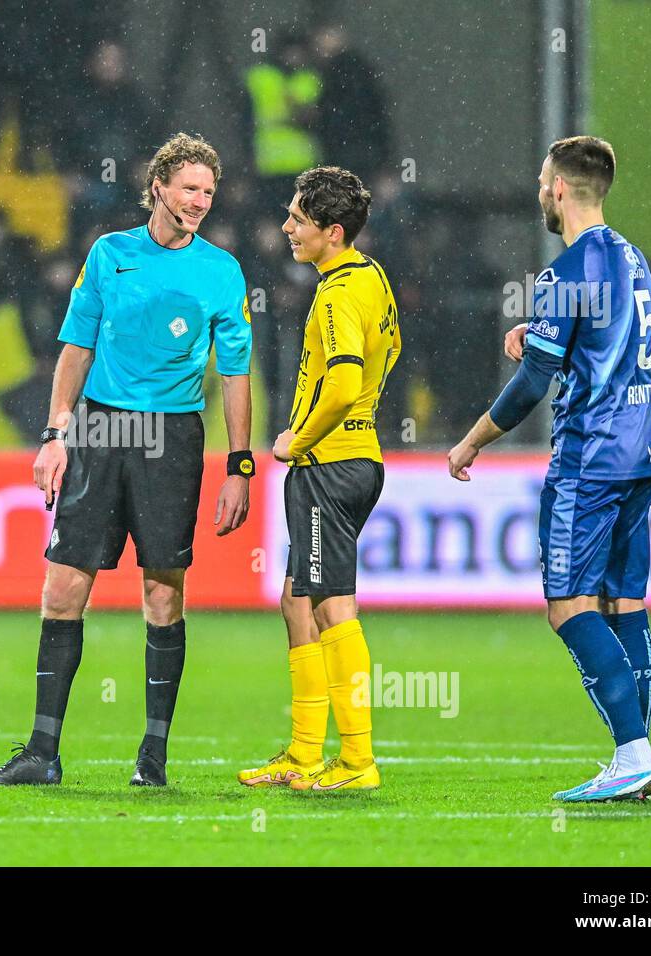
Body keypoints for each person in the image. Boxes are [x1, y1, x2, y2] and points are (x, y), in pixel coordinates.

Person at [0, 132, 254, 788]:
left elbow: (235, 373)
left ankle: (151, 758)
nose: (199, 202)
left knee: (161, 593)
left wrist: (240, 464)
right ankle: (42, 753)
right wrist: (54, 433)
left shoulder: (221, 271)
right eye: (189, 188)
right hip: (98, 429)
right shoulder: (109, 255)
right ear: (157, 187)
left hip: (172, 439)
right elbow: (76, 345)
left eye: (208, 192)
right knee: (64, 587)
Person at [448, 136, 651, 802]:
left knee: (568, 605)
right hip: (643, 446)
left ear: (563, 190)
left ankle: (633, 754)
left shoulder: (567, 273)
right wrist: (541, 340)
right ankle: (637, 754)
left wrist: (471, 442)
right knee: (624, 601)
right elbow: (608, 350)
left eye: (545, 182)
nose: (541, 191)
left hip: (590, 457)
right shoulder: (633, 260)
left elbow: (530, 387)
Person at [238, 166, 401, 793]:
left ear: (332, 232)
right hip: (358, 457)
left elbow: (339, 381)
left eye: (298, 220)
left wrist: (296, 440)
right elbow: (389, 352)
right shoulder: (371, 276)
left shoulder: (336, 293)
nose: (286, 228)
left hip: (328, 464)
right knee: (298, 599)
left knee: (332, 605)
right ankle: (306, 753)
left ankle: (357, 761)